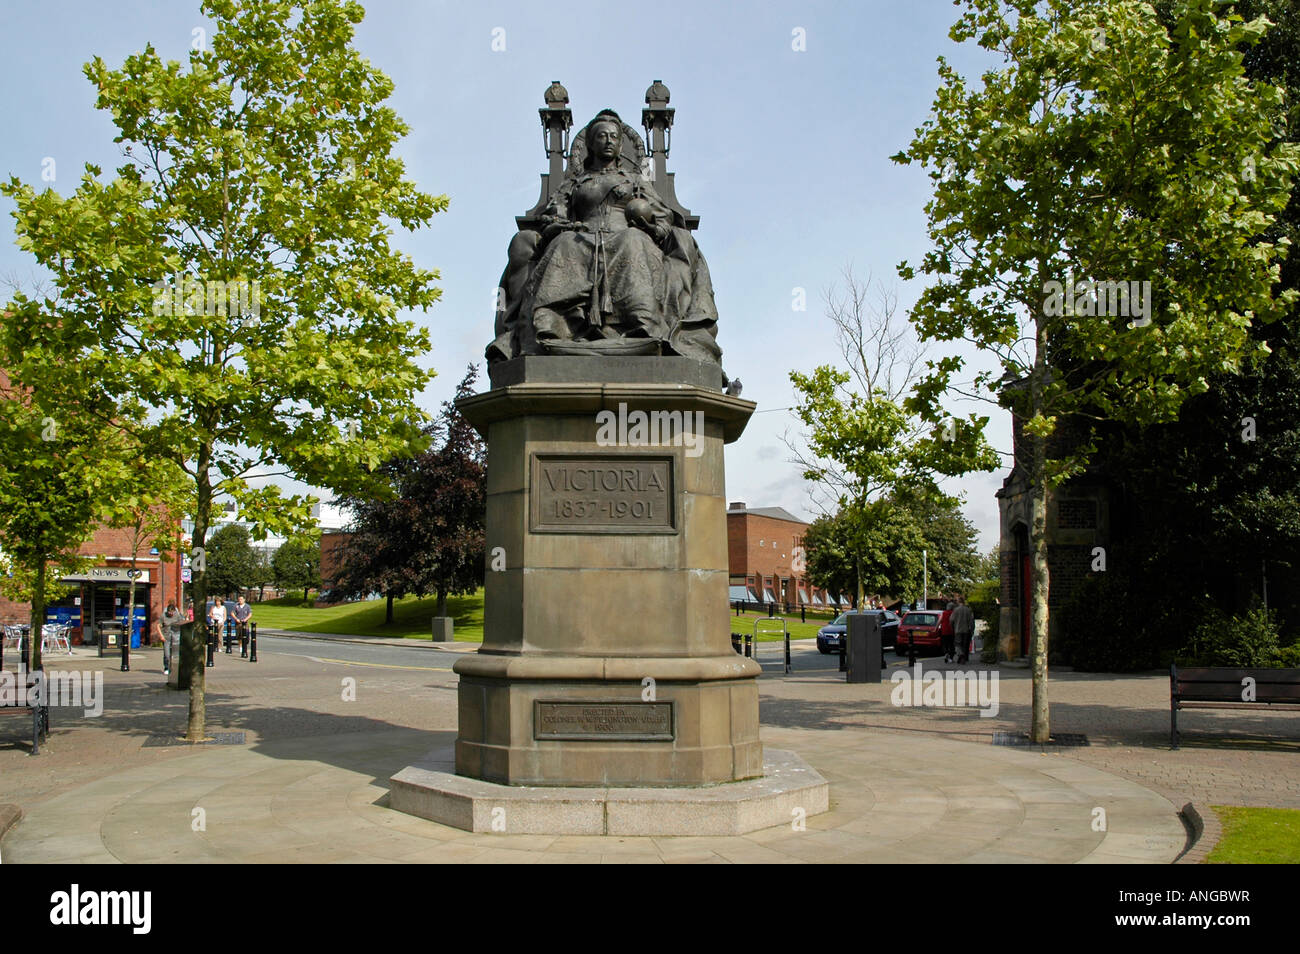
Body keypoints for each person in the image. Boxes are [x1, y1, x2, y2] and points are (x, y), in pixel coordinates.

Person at [951, 594, 976, 665]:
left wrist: (952, 627)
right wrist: (972, 630)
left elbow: (951, 620)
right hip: (966, 630)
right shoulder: (968, 610)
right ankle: (964, 657)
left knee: (958, 644)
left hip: (958, 629)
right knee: (965, 645)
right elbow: (971, 621)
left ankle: (961, 654)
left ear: (959, 602)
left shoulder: (955, 610)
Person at [161, 601, 184, 674]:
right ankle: (166, 667)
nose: (170, 613)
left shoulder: (177, 615)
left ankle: (174, 668)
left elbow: (182, 623)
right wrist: (161, 635)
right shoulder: (163, 616)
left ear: (174, 611)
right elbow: (158, 626)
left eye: (172, 612)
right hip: (166, 636)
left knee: (175, 654)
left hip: (175, 635)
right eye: (169, 612)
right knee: (167, 654)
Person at [941, 595, 957, 663]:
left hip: (944, 631)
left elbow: (940, 620)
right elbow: (955, 621)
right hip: (951, 631)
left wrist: (936, 627)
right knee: (951, 645)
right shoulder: (953, 613)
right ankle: (951, 658)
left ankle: (946, 653)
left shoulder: (944, 613)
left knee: (945, 644)